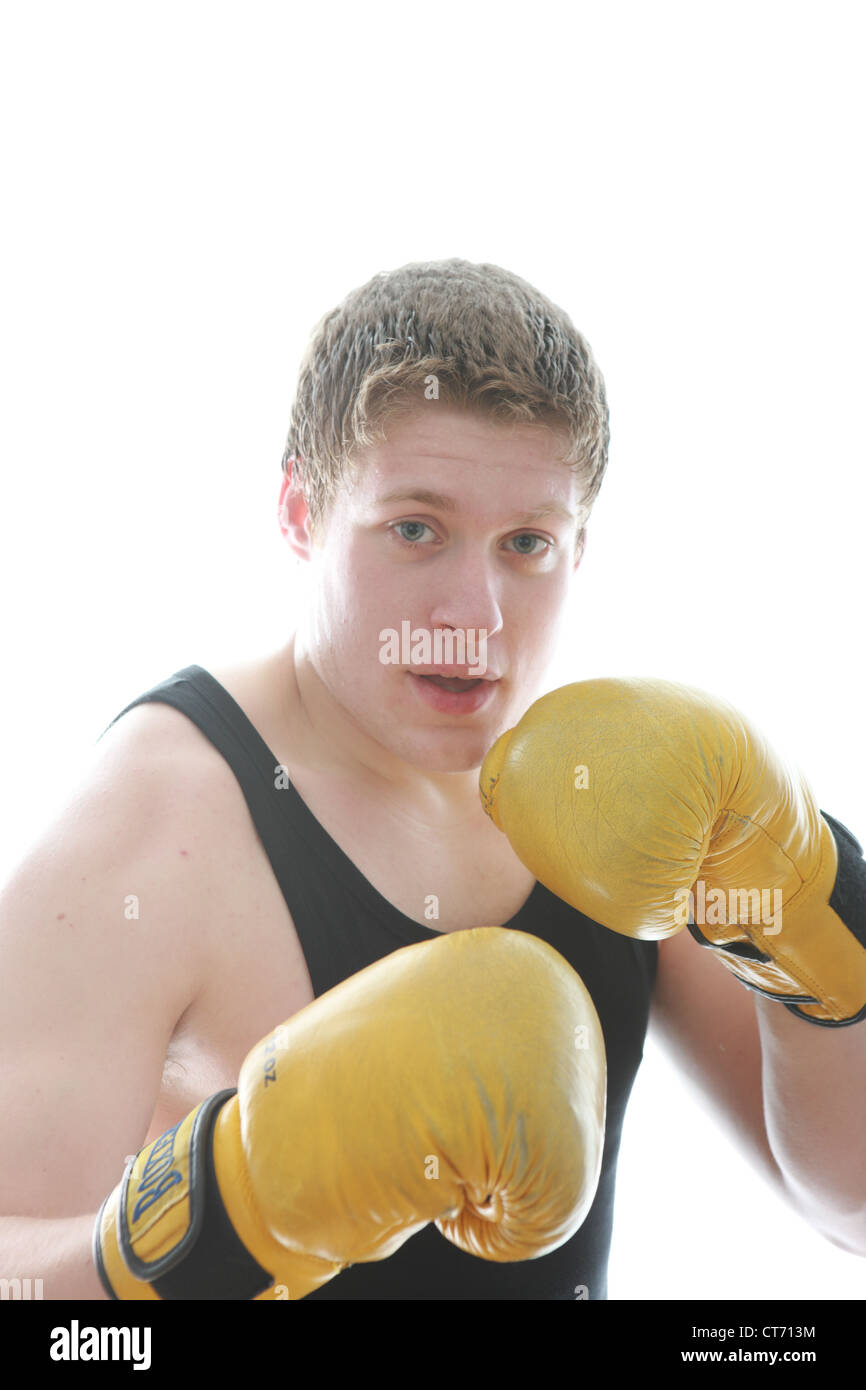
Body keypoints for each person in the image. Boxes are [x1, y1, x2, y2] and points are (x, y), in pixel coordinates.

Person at [2, 259, 864, 1302]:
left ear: (579, 547)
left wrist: (820, 906)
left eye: (525, 545)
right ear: (298, 510)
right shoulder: (158, 823)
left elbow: (849, 1204)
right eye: (415, 528)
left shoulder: (635, 788)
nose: (474, 617)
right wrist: (228, 1212)